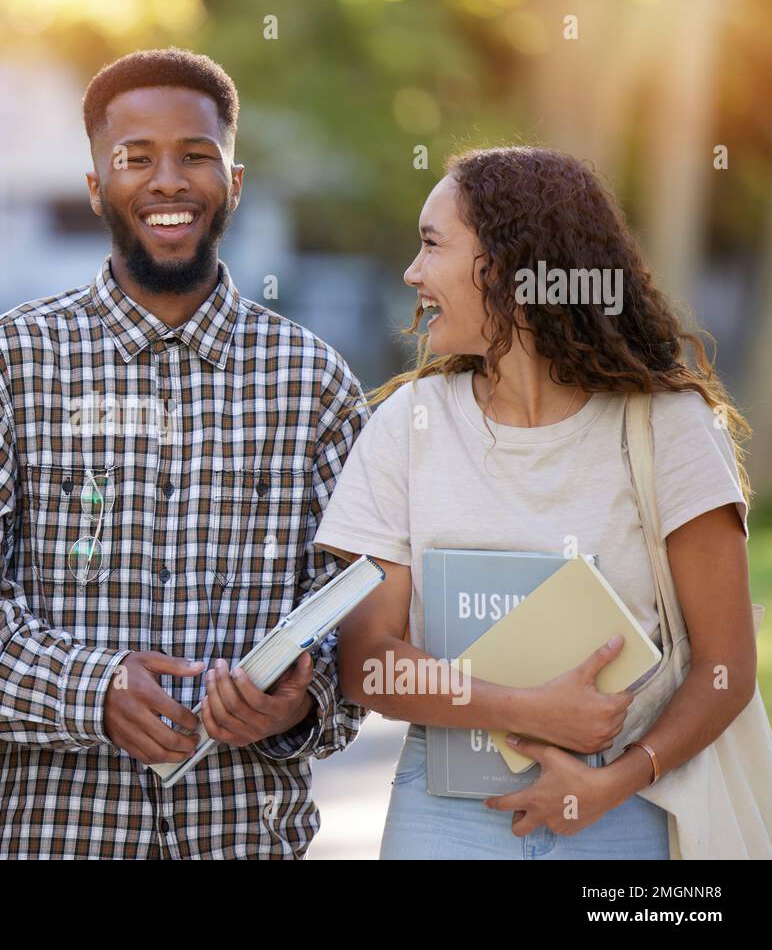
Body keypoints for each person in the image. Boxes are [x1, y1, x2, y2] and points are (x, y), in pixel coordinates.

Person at [0, 48, 370, 858]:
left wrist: (301, 701)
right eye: (136, 158)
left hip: (234, 837)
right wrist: (94, 690)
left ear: (234, 180)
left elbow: (354, 618)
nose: (168, 182)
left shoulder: (317, 385)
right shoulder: (9, 363)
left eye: (196, 156)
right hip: (33, 839)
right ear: (95, 187)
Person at [316, 146, 756, 859]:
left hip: (631, 803)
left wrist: (612, 782)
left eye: (432, 245)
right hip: (445, 807)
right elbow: (367, 662)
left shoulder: (667, 428)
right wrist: (524, 708)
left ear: (507, 267)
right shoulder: (407, 425)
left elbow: (726, 667)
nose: (413, 273)